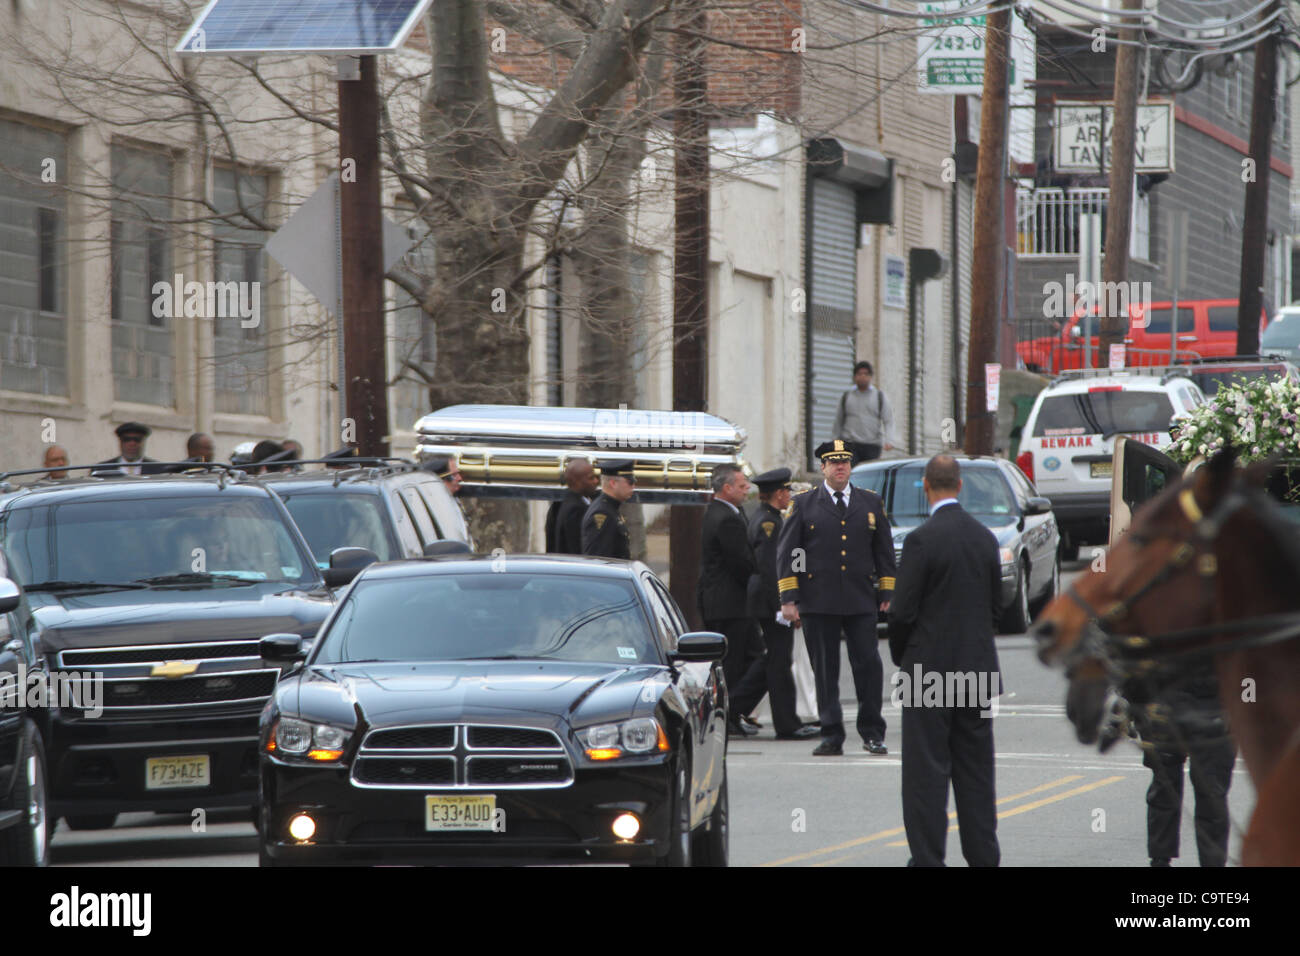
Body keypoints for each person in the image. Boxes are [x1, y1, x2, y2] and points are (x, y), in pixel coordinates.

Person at [888, 454, 1002, 867]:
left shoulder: (921, 540)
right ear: (960, 485)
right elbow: (998, 606)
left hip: (927, 672)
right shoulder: (985, 538)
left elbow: (901, 612)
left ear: (926, 485)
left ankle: (929, 860)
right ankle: (984, 858)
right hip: (976, 672)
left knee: (926, 777)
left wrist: (904, 657)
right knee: (975, 775)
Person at [776, 439, 896, 756]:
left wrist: (886, 589)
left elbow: (883, 550)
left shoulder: (870, 502)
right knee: (825, 669)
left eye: (845, 462)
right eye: (834, 462)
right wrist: (790, 597)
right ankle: (831, 733)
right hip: (818, 600)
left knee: (868, 666)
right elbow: (791, 553)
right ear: (823, 467)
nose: (840, 467)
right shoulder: (804, 504)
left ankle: (872, 731)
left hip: (860, 599)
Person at [1133, 669, 1236, 867]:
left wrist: (1245, 707)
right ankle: (1159, 860)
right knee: (1164, 788)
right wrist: (1133, 704)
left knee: (1212, 793)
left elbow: (1248, 664)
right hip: (1165, 702)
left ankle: (1212, 863)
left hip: (1215, 707)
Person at [698, 464, 769, 739]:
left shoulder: (727, 511)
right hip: (730, 603)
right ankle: (727, 713)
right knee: (738, 663)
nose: (746, 490)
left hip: (730, 602)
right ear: (726, 488)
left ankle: (732, 711)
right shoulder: (724, 517)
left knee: (751, 658)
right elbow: (741, 562)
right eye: (741, 486)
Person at [747, 467, 818, 740]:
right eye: (787, 490)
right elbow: (770, 568)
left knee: (774, 661)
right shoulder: (769, 523)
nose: (789, 494)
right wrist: (783, 604)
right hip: (771, 602)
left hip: (770, 600)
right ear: (778, 493)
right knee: (780, 663)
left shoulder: (771, 518)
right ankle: (787, 724)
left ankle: (737, 706)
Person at [832, 361, 895, 463]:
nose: (862, 377)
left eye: (866, 374)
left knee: (868, 475)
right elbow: (838, 421)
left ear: (870, 377)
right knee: (852, 474)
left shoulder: (879, 397)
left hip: (872, 445)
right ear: (854, 377)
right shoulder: (847, 396)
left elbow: (888, 420)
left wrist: (889, 440)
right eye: (859, 374)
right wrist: (835, 441)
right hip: (850, 444)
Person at [581, 460, 636, 559]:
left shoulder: (609, 508)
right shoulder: (602, 513)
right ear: (613, 483)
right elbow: (598, 559)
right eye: (630, 482)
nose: (633, 487)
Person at [546, 459, 599, 555]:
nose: (596, 481)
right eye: (591, 478)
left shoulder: (563, 502)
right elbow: (576, 548)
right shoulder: (576, 509)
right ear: (577, 482)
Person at [95, 422, 167, 475]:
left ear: (143, 442)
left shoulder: (159, 470)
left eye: (137, 439)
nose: (132, 444)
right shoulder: (101, 469)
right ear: (120, 442)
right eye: (126, 439)